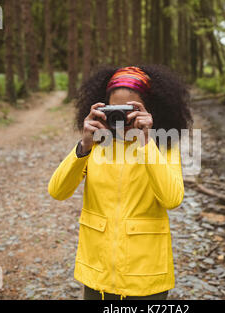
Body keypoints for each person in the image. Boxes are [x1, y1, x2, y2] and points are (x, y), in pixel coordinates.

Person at [48, 65, 192, 300]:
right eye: (116, 110)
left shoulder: (163, 146)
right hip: (97, 274)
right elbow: (57, 191)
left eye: (129, 110)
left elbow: (172, 199)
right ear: (104, 108)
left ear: (148, 109)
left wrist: (146, 142)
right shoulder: (95, 145)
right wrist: (84, 146)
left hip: (146, 277)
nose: (122, 119)